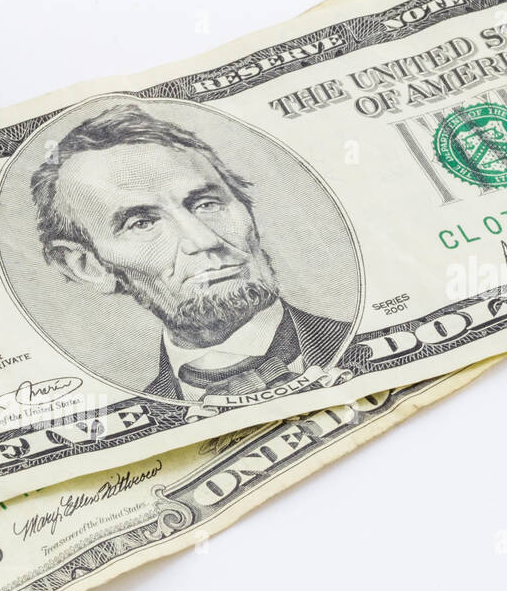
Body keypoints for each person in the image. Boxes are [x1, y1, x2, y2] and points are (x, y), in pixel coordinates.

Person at [31, 104, 349, 400]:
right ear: (88, 266)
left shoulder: (365, 341)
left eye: (207, 204)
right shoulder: (143, 424)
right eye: (142, 223)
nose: (203, 240)